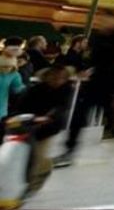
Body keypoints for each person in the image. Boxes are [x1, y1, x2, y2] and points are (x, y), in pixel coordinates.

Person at [57, 11, 114, 167]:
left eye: (106, 20)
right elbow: (91, 57)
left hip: (109, 84)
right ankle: (69, 150)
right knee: (79, 115)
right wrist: (87, 69)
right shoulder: (98, 37)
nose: (102, 23)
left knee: (109, 112)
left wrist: (98, 70)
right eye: (101, 20)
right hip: (93, 84)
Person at [12, 65, 72, 201]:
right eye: (54, 77)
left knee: (38, 156)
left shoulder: (66, 90)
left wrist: (49, 117)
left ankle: (33, 186)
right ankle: (43, 167)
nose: (57, 81)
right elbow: (22, 105)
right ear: (47, 76)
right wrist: (19, 117)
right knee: (24, 156)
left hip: (47, 129)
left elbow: (62, 108)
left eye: (62, 78)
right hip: (28, 125)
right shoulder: (36, 89)